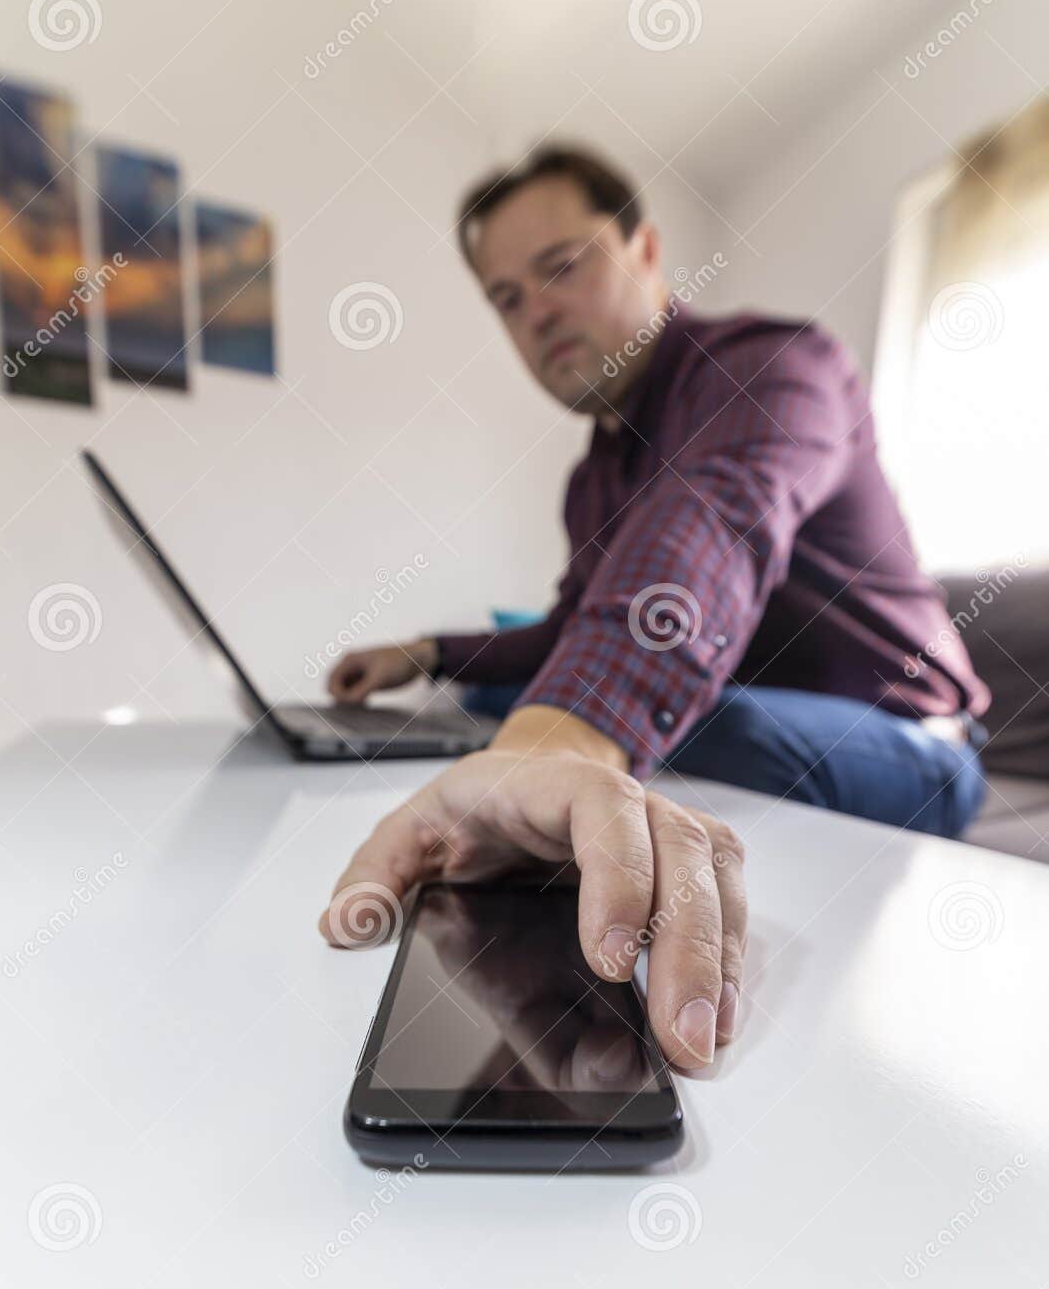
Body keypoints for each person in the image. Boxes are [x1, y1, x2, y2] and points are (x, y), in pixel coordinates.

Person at [319, 144, 989, 1070]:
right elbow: (568, 628)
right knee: (502, 696)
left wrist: (550, 748)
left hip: (910, 745)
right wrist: (424, 652)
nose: (537, 311)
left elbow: (708, 524)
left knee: (656, 719)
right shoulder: (590, 479)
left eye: (561, 266)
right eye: (506, 298)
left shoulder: (776, 366)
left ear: (645, 249)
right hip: (743, 713)